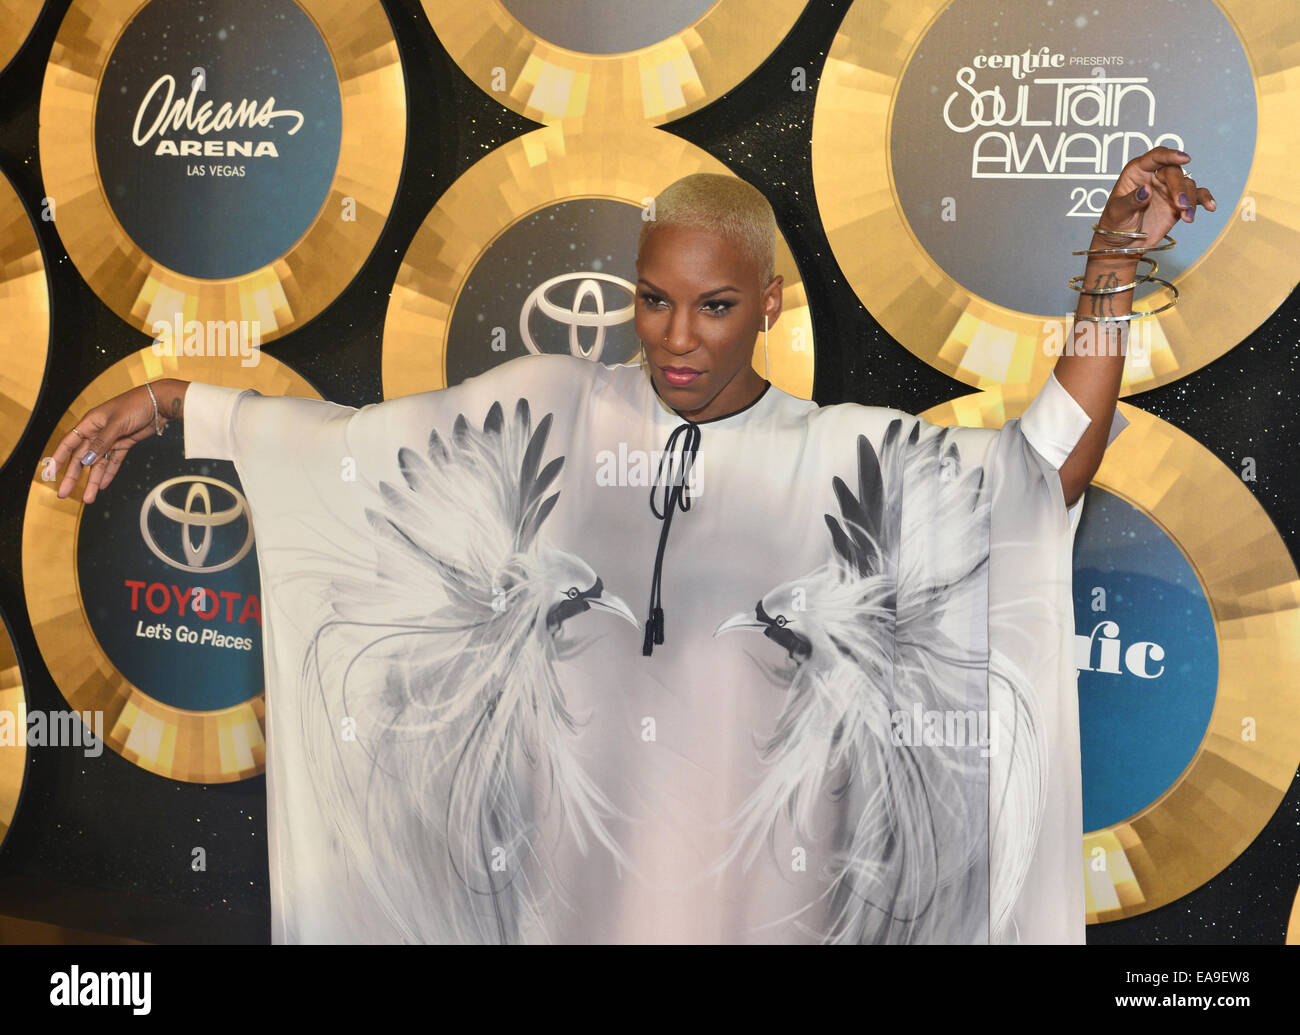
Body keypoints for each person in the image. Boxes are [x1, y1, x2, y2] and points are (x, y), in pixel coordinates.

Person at [51, 149, 1214, 944]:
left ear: (767, 306)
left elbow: (1036, 472)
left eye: (713, 307)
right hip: (566, 901)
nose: (676, 337)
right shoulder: (555, 406)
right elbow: (349, 452)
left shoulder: (835, 457)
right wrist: (169, 404)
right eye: (653, 300)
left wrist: (1109, 275)